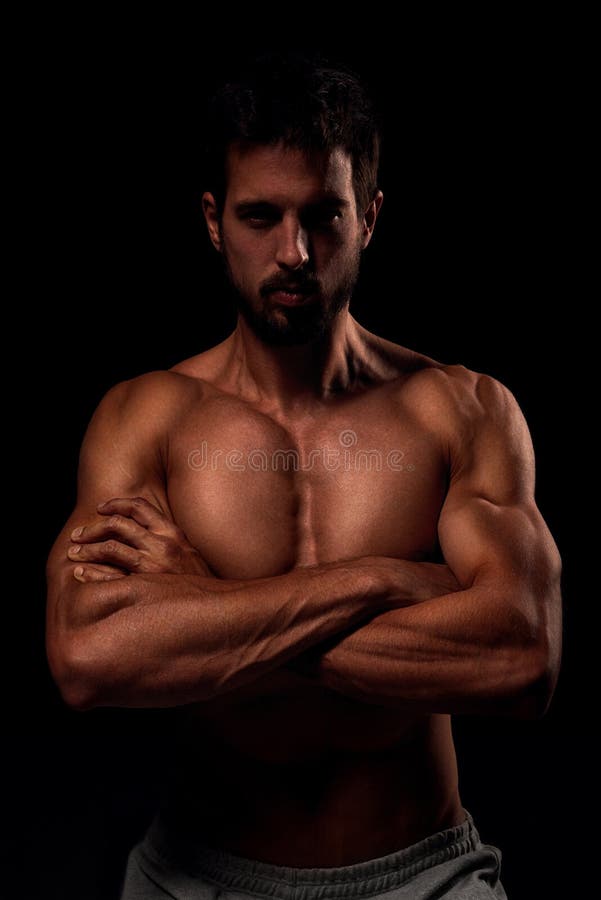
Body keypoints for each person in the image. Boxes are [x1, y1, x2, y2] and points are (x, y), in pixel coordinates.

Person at [46, 52, 562, 899]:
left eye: (324, 215)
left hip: (424, 876)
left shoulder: (460, 409)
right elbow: (88, 657)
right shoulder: (146, 417)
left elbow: (522, 656)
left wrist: (205, 605)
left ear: (369, 217)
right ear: (213, 221)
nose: (293, 252)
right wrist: (386, 580)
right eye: (260, 216)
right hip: (197, 875)